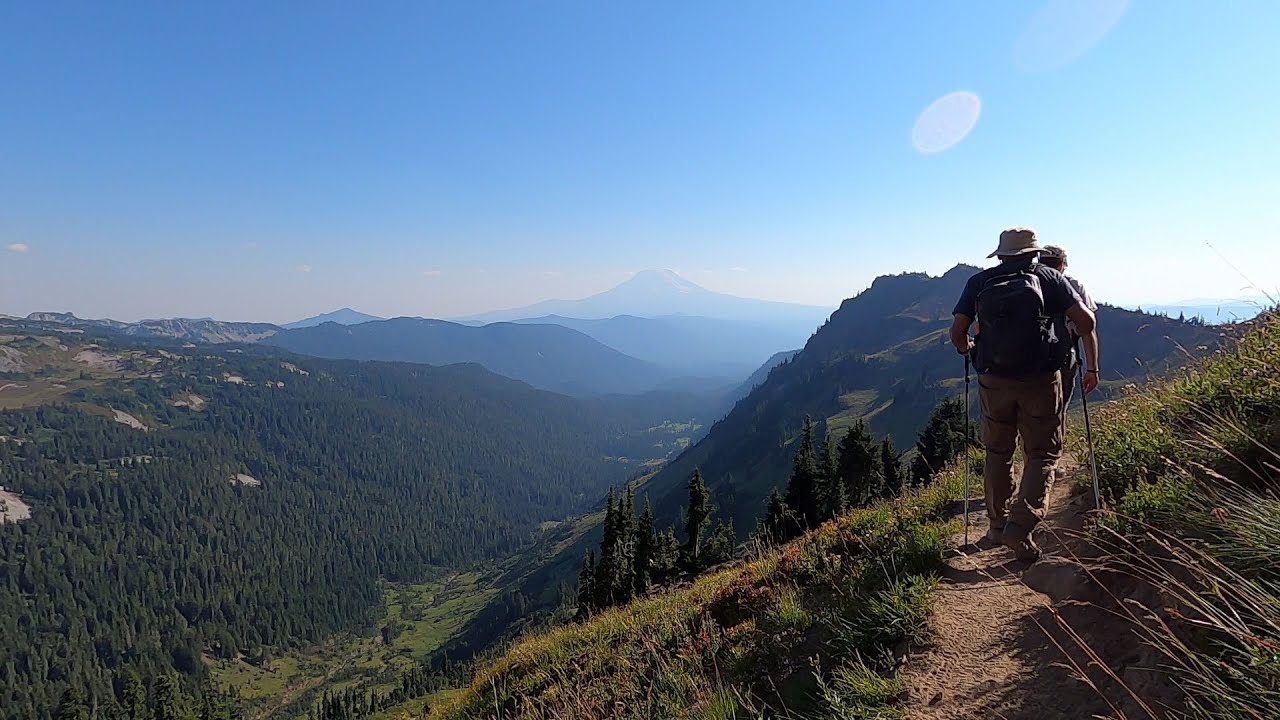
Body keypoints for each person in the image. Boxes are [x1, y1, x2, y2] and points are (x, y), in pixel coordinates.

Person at [950, 228, 1100, 560]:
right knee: (1043, 453)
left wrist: (972, 348)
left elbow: (957, 333)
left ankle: (997, 525)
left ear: (1000, 255)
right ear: (1033, 253)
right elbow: (1086, 323)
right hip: (1041, 379)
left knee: (998, 450)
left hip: (993, 379)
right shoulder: (1051, 279)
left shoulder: (980, 282)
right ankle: (1020, 527)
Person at [1038, 245, 1099, 478]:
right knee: (1057, 410)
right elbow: (1087, 328)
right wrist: (1092, 367)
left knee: (1028, 414)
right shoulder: (1073, 286)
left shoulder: (1026, 282)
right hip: (1062, 358)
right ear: (1064, 263)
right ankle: (1052, 463)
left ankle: (1032, 463)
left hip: (1021, 361)